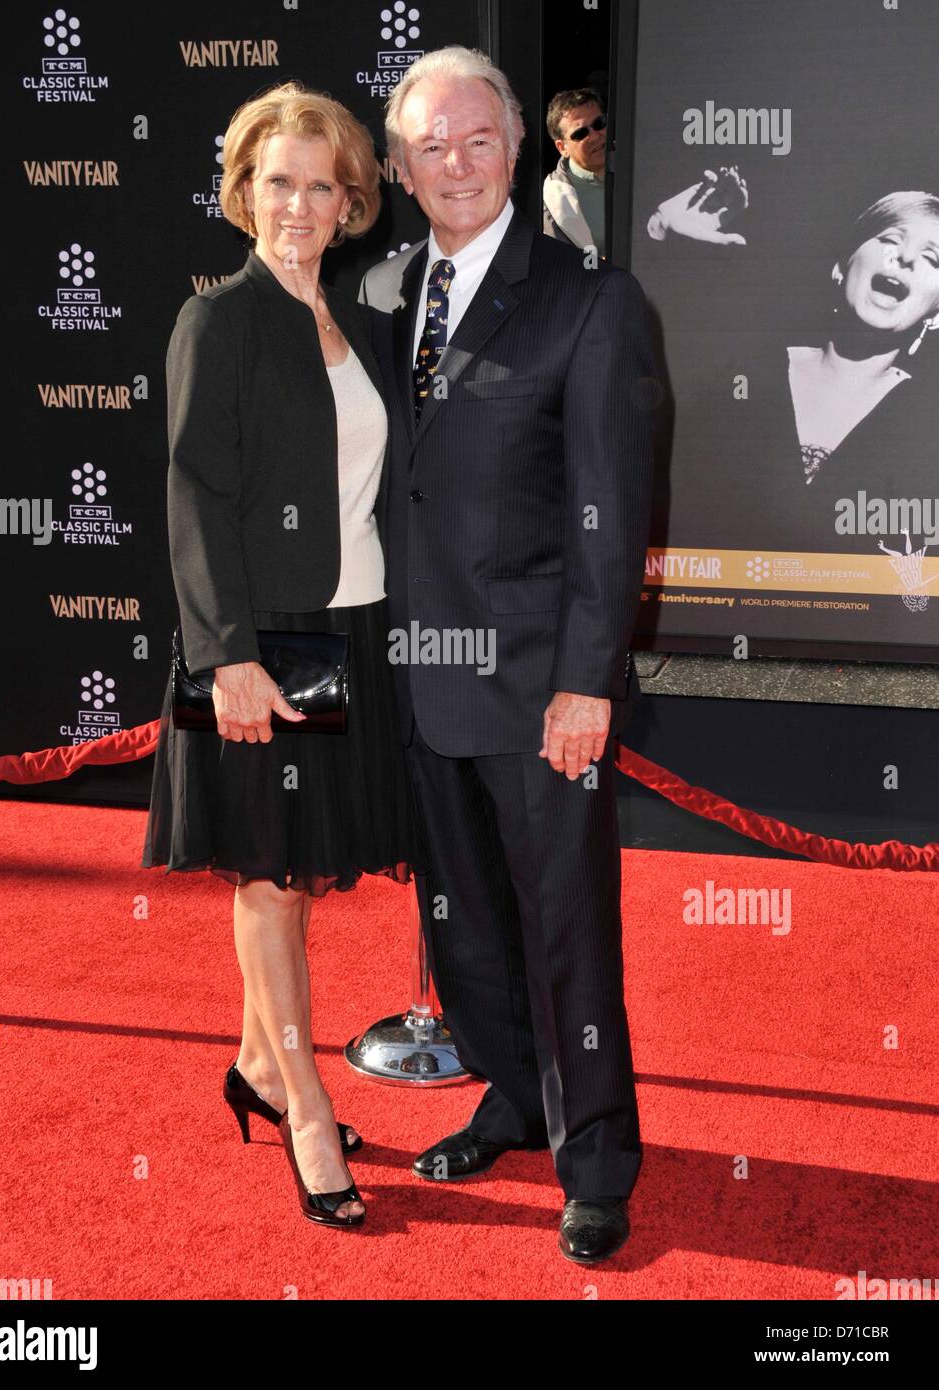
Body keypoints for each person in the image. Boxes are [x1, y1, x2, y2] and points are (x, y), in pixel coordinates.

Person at [359, 46, 658, 1264]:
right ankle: (513, 1097)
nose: (457, 164)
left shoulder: (592, 300)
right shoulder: (380, 295)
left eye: (478, 139)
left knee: (568, 931)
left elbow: (617, 509)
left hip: (543, 689)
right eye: (430, 146)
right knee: (466, 921)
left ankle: (596, 1153)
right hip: (419, 684)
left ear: (522, 141)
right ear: (396, 167)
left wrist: (587, 680)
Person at [141, 81, 424, 1230]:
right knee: (268, 877)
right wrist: (227, 658)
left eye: (320, 183)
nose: (298, 204)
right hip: (265, 641)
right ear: (243, 190)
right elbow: (197, 495)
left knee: (300, 870)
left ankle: (258, 1063)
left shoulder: (355, 323)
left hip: (350, 624)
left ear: (351, 198)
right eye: (277, 181)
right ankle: (305, 1100)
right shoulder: (219, 320)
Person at [646, 176, 939, 555]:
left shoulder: (927, 422)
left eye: (933, 258)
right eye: (889, 240)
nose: (906, 258)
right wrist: (663, 232)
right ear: (841, 267)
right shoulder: (741, 370)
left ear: (936, 314)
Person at [542, 87, 609, 257]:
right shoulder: (550, 201)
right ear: (562, 147)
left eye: (599, 124)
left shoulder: (642, 167)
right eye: (580, 133)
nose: (594, 136)